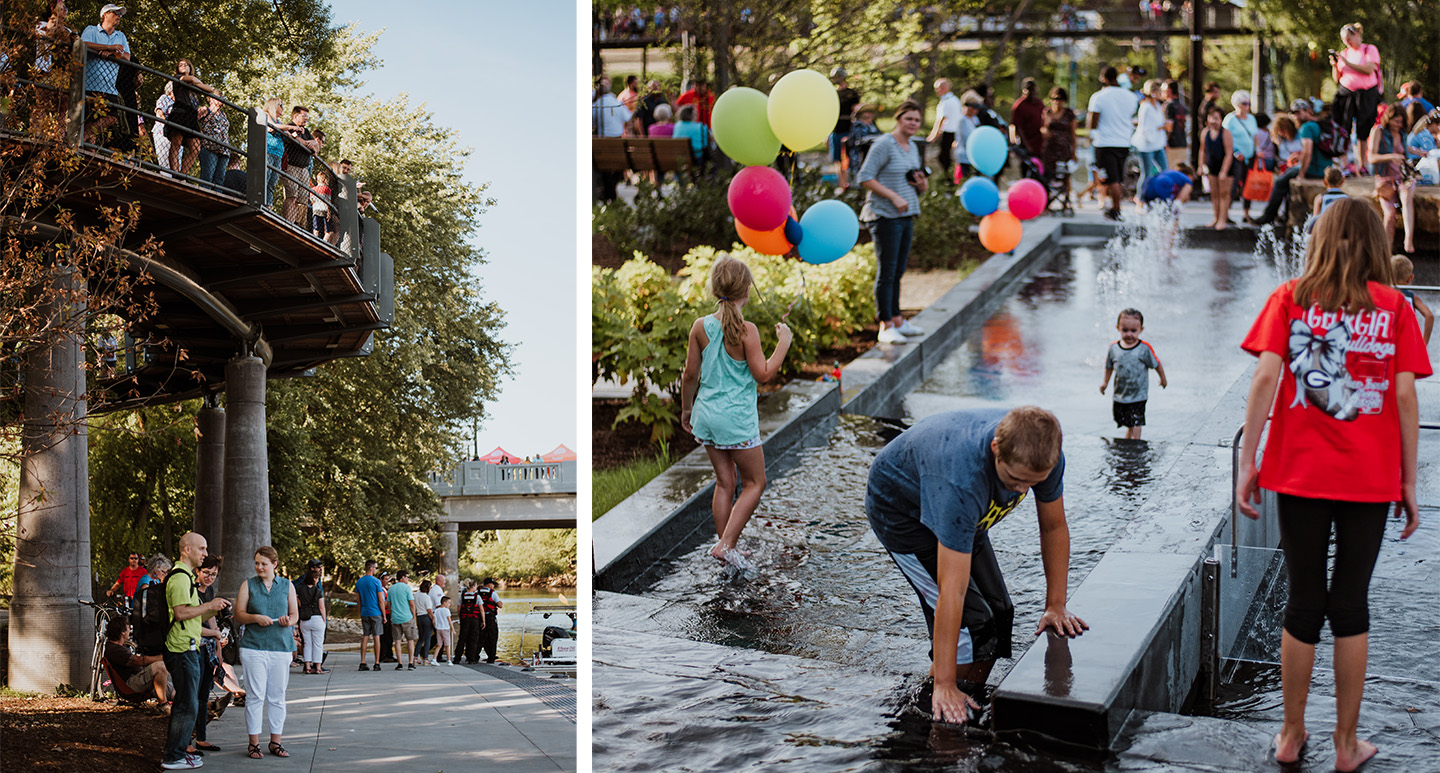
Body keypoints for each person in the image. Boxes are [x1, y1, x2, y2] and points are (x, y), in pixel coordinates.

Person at [1236, 197, 1430, 772]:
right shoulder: (1394, 308)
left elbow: (1266, 376)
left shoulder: (1290, 298)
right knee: (1350, 605)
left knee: (1302, 602)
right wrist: (1409, 481)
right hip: (1368, 478)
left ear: (1319, 239)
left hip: (1298, 472)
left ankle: (1292, 735)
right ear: (1376, 242)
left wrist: (1249, 461)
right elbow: (1404, 397)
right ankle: (1346, 745)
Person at [865, 407, 1089, 723]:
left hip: (959, 510)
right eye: (1015, 479)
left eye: (1032, 482)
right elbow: (951, 593)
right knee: (971, 624)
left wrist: (1055, 605)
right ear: (996, 448)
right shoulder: (962, 481)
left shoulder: (1043, 452)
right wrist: (944, 683)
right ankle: (933, 706)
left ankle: (968, 697)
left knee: (1000, 613)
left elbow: (1053, 527)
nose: (1022, 490)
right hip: (902, 515)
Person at [679, 254, 793, 565]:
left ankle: (725, 547)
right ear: (747, 291)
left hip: (708, 417)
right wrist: (783, 342)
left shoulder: (701, 327)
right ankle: (726, 544)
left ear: (715, 290)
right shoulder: (747, 330)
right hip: (737, 421)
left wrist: (687, 410)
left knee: (725, 482)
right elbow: (765, 374)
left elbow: (690, 375)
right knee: (755, 483)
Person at [857, 101, 929, 344]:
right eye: (909, 119)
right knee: (887, 271)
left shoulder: (912, 147)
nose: (913, 124)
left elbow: (910, 181)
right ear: (899, 119)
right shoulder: (883, 144)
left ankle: (898, 320)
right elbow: (865, 177)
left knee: (898, 270)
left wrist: (921, 186)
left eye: (917, 120)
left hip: (906, 215)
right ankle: (885, 324)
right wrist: (893, 196)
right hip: (884, 215)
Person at [160, 532, 229, 771]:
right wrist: (209, 605)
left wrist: (214, 609)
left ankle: (178, 753)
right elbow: (180, 613)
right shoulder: (179, 578)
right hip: (181, 648)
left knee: (188, 702)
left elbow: (191, 615)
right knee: (186, 704)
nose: (206, 554)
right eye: (201, 548)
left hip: (187, 646)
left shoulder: (186, 577)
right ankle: (174, 756)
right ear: (187, 550)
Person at [234, 546, 298, 760]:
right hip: (254, 647)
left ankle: (275, 742)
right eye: (257, 563)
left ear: (275, 564)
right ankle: (253, 744)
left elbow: (295, 614)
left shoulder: (287, 585)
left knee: (277, 697)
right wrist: (255, 618)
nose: (259, 567)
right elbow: (239, 615)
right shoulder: (248, 585)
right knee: (255, 696)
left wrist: (289, 621)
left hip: (281, 647)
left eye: (264, 563)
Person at [1254, 100, 1331, 227]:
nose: (1296, 117)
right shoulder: (1318, 124)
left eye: (1298, 113)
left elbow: (1308, 152)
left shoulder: (1306, 128)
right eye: (1294, 114)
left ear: (1308, 111)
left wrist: (1301, 173)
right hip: (1323, 167)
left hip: (1313, 169)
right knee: (1287, 180)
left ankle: (1269, 216)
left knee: (1280, 181)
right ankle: (1284, 216)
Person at [1099, 309, 1168, 440]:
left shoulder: (1144, 348)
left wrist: (1163, 380)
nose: (1129, 334)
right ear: (1118, 328)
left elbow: (1157, 364)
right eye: (1125, 330)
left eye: (1133, 331)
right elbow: (1109, 367)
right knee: (1127, 422)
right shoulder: (1114, 348)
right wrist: (1105, 383)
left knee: (1136, 422)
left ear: (1141, 330)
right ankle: (1128, 441)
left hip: (1138, 395)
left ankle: (1135, 444)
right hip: (1121, 395)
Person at [188, 556, 227, 755]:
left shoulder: (209, 591)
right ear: (197, 571)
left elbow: (211, 618)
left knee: (204, 694)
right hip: (193, 646)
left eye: (213, 574)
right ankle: (186, 741)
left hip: (208, 648)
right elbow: (192, 626)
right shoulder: (191, 591)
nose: (209, 577)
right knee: (192, 696)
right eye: (206, 573)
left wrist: (219, 646)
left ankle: (201, 738)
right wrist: (214, 635)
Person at [1087, 66, 1138, 221]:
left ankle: (1116, 209)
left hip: (1105, 142)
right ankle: (1115, 206)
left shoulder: (1099, 96)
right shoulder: (1130, 97)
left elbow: (1093, 120)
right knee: (1117, 177)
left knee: (1112, 178)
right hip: (1123, 142)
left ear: (1104, 79)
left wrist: (1090, 137)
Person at [1330, 23, 1382, 172]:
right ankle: (1345, 163)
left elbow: (1369, 69)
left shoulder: (1368, 49)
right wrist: (1335, 65)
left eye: (1349, 38)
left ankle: (1363, 165)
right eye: (1344, 40)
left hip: (1366, 94)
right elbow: (1337, 78)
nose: (1347, 42)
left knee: (1363, 128)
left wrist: (1347, 63)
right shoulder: (1344, 53)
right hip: (1346, 92)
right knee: (1343, 129)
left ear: (1357, 34)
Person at [1368, 103, 1417, 253]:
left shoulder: (1402, 133)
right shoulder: (1378, 131)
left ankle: (1408, 240)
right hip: (1385, 179)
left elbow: (1405, 151)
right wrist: (1390, 157)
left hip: (1402, 177)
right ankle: (1385, 252)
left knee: (1407, 196)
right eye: (1396, 121)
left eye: (1401, 122)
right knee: (1389, 215)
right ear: (1388, 119)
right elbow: (1371, 157)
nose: (1398, 125)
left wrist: (1420, 153)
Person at [79, 4, 130, 145]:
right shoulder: (91, 30)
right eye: (116, 13)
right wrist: (108, 47)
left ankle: (82, 138)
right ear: (105, 14)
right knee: (89, 118)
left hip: (109, 87)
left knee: (112, 117)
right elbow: (83, 44)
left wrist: (113, 53)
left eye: (120, 14)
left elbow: (127, 57)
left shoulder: (120, 36)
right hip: (89, 83)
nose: (119, 16)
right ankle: (89, 149)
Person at [104, 617, 171, 705]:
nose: (130, 631)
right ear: (122, 632)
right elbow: (137, 661)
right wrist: (161, 657)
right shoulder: (114, 650)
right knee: (160, 666)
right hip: (131, 685)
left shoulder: (117, 647)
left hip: (138, 681)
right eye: (128, 628)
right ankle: (163, 705)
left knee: (177, 689)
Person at [166, 59, 214, 174]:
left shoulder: (195, 85)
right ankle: (175, 172)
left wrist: (197, 84)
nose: (183, 66)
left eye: (185, 64)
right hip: (180, 113)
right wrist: (197, 82)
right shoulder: (178, 78)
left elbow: (211, 89)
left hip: (191, 117)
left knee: (196, 148)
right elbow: (191, 79)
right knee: (176, 144)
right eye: (180, 65)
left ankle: (182, 174)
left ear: (190, 67)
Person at [1221, 91, 1259, 223]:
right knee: (1233, 186)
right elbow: (1225, 137)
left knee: (1248, 185)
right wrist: (1235, 151)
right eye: (1244, 104)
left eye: (1249, 104)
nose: (1247, 106)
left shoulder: (1252, 119)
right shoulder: (1230, 119)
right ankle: (1225, 214)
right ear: (1237, 104)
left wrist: (1258, 150)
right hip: (1235, 157)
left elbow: (1254, 136)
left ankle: (1246, 214)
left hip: (1250, 157)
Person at [280, 106, 320, 226]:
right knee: (291, 195)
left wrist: (309, 144)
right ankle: (288, 222)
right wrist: (303, 142)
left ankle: (293, 222)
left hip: (304, 169)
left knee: (301, 199)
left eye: (307, 116)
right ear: (296, 116)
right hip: (291, 165)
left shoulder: (306, 131)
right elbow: (293, 140)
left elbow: (316, 147)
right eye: (304, 116)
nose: (306, 119)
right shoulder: (289, 126)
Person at [1198, 106, 1234, 230]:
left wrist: (1224, 171)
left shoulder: (1225, 133)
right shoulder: (1205, 132)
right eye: (1211, 118)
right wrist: (1200, 166)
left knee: (1224, 193)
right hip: (1212, 165)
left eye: (1216, 118)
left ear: (1221, 120)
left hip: (1226, 165)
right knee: (1214, 193)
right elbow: (1202, 150)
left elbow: (1229, 153)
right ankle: (1216, 217)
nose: (1213, 121)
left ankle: (1222, 219)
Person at [1132, 79, 1170, 187]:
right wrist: (1161, 127)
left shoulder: (1158, 106)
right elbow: (1145, 128)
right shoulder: (1145, 108)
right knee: (1147, 173)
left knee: (1164, 170)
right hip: (1147, 145)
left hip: (1158, 144)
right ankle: (1140, 198)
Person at [1040, 87, 1077, 193]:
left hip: (1064, 149)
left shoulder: (1069, 114)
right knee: (1047, 175)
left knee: (1065, 176)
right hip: (1049, 149)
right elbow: (1042, 128)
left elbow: (1073, 134)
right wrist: (1044, 131)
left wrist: (1074, 152)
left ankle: (1067, 201)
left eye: (1059, 99)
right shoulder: (1047, 112)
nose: (1056, 101)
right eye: (1054, 98)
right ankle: (1047, 202)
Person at [1390, 255, 1434, 345]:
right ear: (1410, 278)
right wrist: (1423, 344)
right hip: (1407, 342)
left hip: (1387, 342)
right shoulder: (1411, 297)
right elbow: (1429, 316)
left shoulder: (1382, 294)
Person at [296, 559, 328, 675]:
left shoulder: (299, 588)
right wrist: (324, 620)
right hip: (317, 617)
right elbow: (322, 607)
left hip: (305, 619)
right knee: (318, 644)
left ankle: (308, 666)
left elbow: (297, 602)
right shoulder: (318, 590)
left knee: (308, 643)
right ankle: (318, 667)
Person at [829, 68, 860, 189]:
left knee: (846, 159)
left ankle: (848, 184)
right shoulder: (832, 93)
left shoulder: (851, 94)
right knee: (837, 160)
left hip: (847, 130)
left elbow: (855, 111)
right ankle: (841, 185)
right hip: (835, 131)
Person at [928, 78, 962, 181]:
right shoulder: (954, 99)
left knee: (943, 157)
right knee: (946, 156)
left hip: (948, 133)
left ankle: (948, 178)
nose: (936, 91)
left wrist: (933, 135)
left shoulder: (947, 101)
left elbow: (941, 120)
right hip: (953, 132)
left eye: (938, 88)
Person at [354, 560, 385, 671]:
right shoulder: (377, 582)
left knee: (365, 636)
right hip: (375, 612)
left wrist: (360, 612)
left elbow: (358, 600)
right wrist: (384, 616)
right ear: (371, 568)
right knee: (377, 637)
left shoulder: (359, 582)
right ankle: (376, 663)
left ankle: (363, 662)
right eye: (376, 568)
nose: (377, 570)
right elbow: (380, 600)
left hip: (365, 612)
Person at [195, 93, 230, 187]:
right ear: (211, 99)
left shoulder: (223, 114)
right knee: (207, 177)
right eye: (218, 97)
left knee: (219, 180)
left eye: (222, 97)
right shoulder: (205, 110)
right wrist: (200, 132)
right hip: (209, 147)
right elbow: (192, 119)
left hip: (224, 150)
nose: (221, 99)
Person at [387, 569, 418, 670]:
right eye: (407, 577)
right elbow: (412, 604)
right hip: (407, 617)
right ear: (402, 577)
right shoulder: (407, 588)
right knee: (410, 640)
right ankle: (410, 663)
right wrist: (414, 616)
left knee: (397, 641)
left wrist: (392, 615)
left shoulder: (391, 589)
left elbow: (389, 604)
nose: (408, 579)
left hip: (395, 618)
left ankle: (399, 663)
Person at [1305, 166, 1349, 235]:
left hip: (1325, 230)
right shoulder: (1346, 198)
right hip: (1341, 230)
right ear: (1342, 181)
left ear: (1324, 182)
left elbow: (1315, 218)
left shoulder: (1320, 198)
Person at [1009, 78, 1045, 161]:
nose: (1032, 92)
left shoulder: (1039, 102)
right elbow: (1017, 127)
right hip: (1027, 144)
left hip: (1039, 144)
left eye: (1033, 90)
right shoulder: (1019, 106)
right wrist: (1027, 145)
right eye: (1029, 90)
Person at [846, 102, 883, 176]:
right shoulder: (858, 126)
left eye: (870, 113)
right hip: (861, 156)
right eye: (867, 113)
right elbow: (858, 140)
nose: (869, 116)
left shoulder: (873, 126)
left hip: (873, 155)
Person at [1163, 80, 1190, 170]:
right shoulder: (1181, 106)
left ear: (1169, 90)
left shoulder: (1169, 105)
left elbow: (1169, 125)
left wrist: (1165, 141)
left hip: (1172, 145)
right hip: (1183, 144)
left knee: (1171, 172)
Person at [457, 578, 485, 664]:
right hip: (474, 620)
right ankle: (471, 659)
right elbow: (481, 610)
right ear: (473, 586)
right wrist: (483, 621)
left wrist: (461, 617)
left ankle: (457, 658)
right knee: (473, 639)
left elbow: (459, 609)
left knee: (462, 639)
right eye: (476, 586)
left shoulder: (462, 596)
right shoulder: (477, 597)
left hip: (465, 619)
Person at [480, 578, 504, 663]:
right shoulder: (492, 593)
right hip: (490, 618)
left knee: (481, 638)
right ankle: (491, 656)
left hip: (479, 618)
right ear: (488, 585)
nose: (493, 586)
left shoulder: (477, 592)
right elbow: (500, 605)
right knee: (493, 637)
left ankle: (474, 656)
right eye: (492, 584)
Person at [414, 579, 435, 666]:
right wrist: (433, 619)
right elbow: (429, 610)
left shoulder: (416, 595)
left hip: (419, 617)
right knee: (427, 639)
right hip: (426, 617)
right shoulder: (426, 597)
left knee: (420, 638)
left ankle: (415, 657)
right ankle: (425, 658)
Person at [433, 595, 454, 666]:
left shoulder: (436, 610)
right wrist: (453, 629)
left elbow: (434, 620)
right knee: (447, 645)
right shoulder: (446, 610)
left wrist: (435, 626)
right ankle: (449, 660)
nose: (449, 604)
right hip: (445, 628)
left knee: (439, 645)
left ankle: (434, 659)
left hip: (438, 629)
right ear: (444, 602)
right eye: (449, 602)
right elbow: (449, 621)